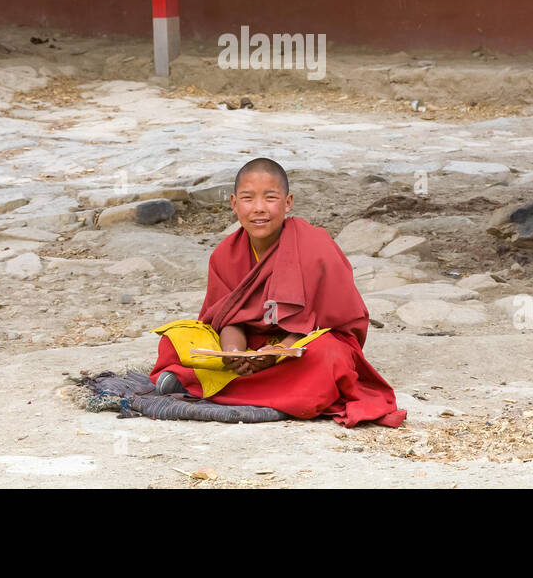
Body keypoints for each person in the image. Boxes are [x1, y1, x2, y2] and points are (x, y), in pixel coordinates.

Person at [149, 157, 406, 427]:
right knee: (174, 339)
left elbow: (335, 324)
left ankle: (205, 387)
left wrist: (280, 351)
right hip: (250, 351)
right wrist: (235, 354)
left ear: (288, 202)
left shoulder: (315, 246)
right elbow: (227, 319)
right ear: (234, 204)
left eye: (270, 198)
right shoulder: (225, 255)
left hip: (299, 350)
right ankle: (269, 393)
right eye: (248, 199)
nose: (259, 209)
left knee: (330, 356)